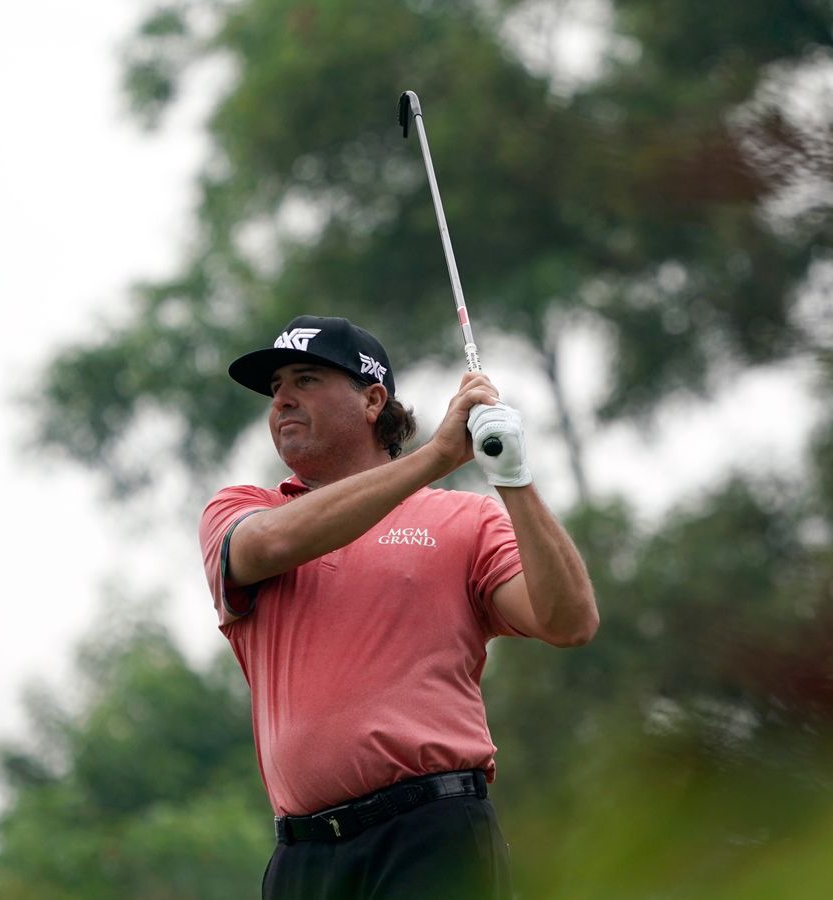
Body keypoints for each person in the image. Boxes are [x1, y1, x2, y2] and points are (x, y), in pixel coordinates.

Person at [198, 314, 598, 899]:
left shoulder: (466, 519)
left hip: (433, 835)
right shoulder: (243, 509)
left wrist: (513, 478)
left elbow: (569, 621)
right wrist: (439, 455)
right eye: (276, 386)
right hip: (302, 859)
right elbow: (271, 545)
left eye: (305, 380)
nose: (281, 398)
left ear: (372, 400)